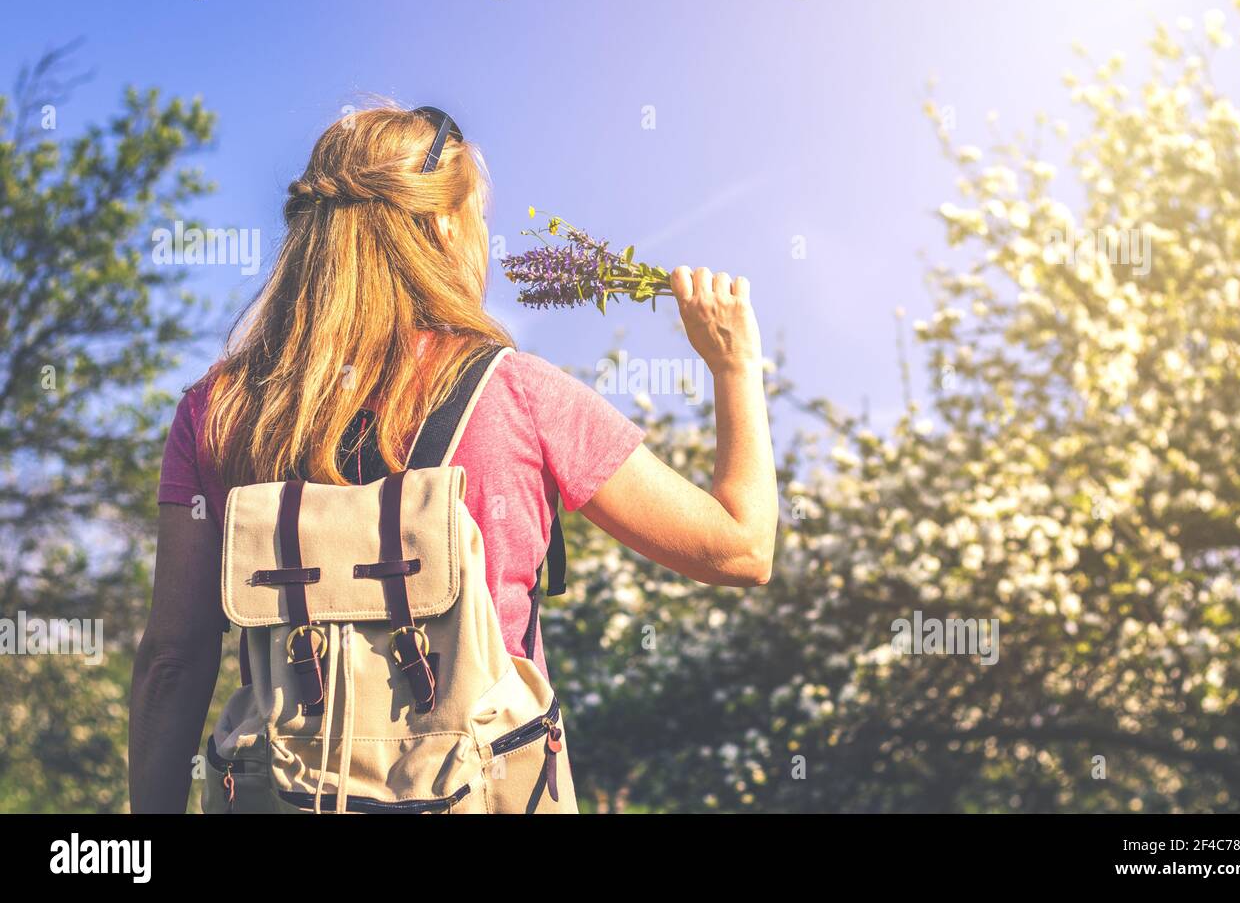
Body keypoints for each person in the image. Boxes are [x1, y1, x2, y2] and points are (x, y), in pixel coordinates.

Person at [128, 104, 777, 812]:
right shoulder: (519, 394)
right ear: (442, 225)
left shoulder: (218, 409)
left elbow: (174, 661)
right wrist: (735, 366)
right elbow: (741, 549)